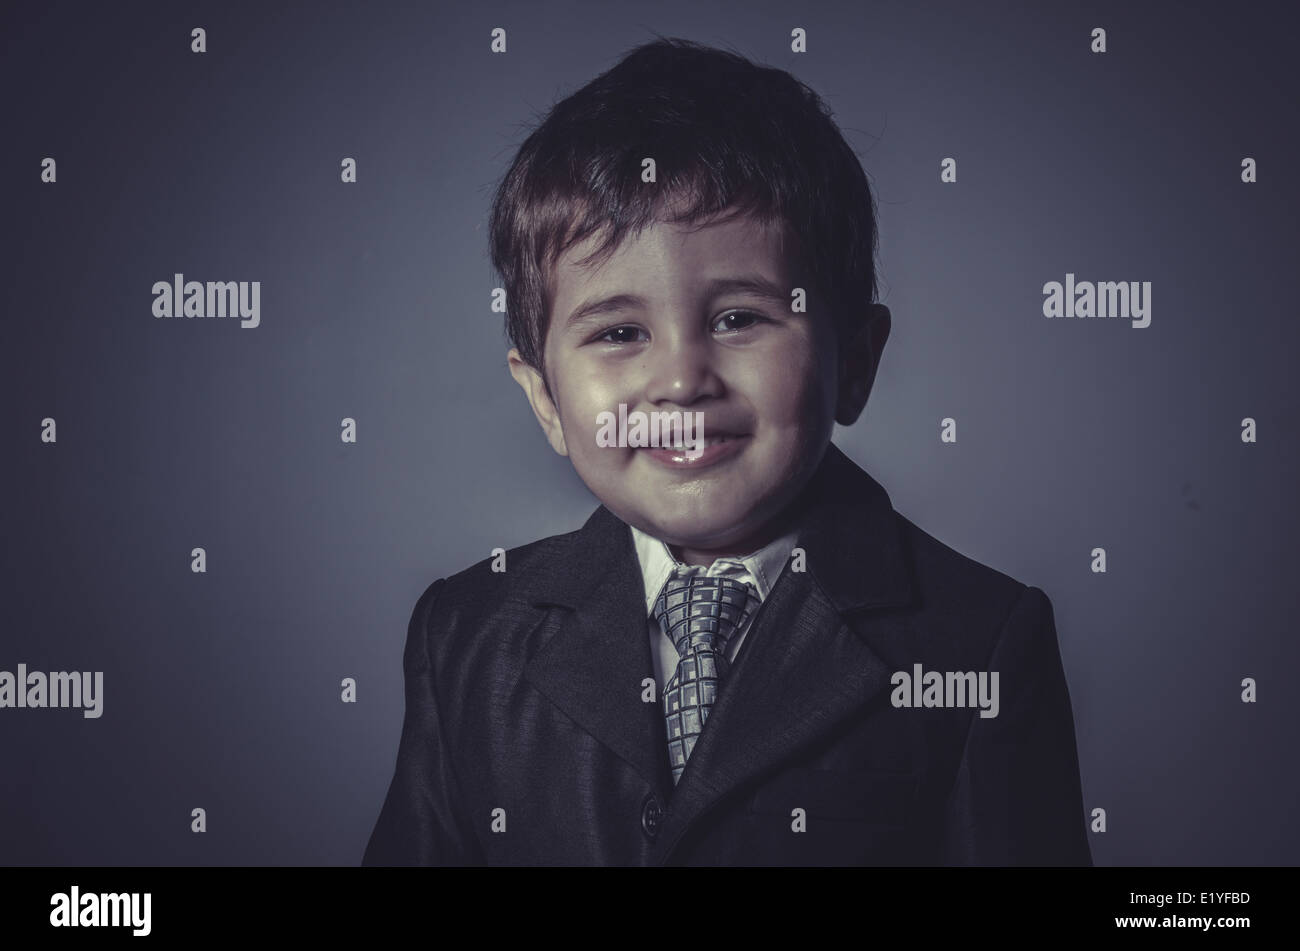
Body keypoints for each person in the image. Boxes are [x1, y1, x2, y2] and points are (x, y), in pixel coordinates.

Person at [363, 36, 1091, 865]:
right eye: (618, 332)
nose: (680, 380)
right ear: (546, 400)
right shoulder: (467, 635)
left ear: (854, 362)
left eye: (739, 318)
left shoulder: (976, 641)